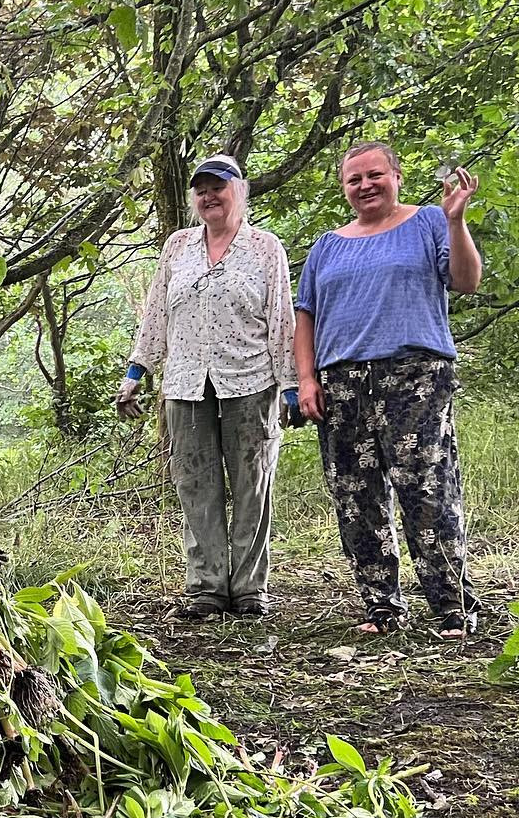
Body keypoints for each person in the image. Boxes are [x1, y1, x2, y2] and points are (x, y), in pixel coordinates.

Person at [295, 141, 482, 637]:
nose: (365, 185)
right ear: (344, 188)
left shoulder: (429, 222)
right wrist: (307, 379)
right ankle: (381, 607)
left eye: (374, 175)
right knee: (356, 496)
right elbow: (305, 316)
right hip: (342, 382)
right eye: (354, 179)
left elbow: (465, 280)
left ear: (396, 176)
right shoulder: (327, 245)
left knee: (427, 491)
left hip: (414, 375)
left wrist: (457, 220)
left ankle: (451, 606)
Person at [117, 156, 297, 620]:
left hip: (251, 381)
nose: (208, 196)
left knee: (251, 485)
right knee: (196, 486)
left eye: (218, 186)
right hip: (185, 383)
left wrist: (291, 386)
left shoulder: (264, 248)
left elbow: (281, 320)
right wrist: (136, 372)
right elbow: (157, 313)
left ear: (241, 191)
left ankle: (249, 588)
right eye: (200, 189)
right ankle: (207, 588)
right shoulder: (178, 246)